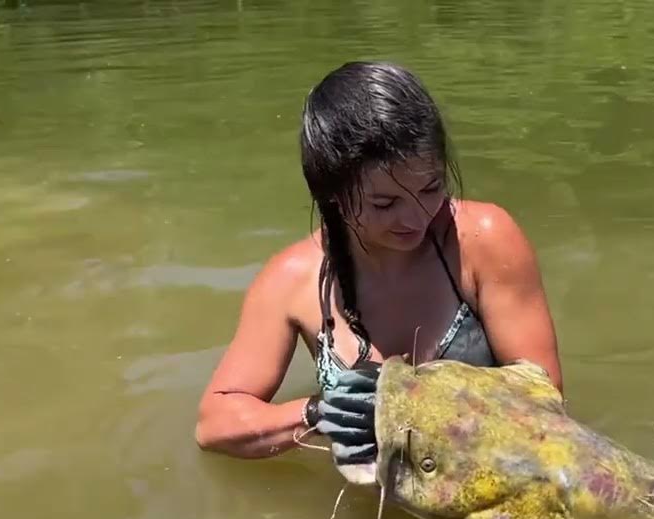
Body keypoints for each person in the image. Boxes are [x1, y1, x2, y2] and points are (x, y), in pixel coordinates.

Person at [194, 61, 563, 468]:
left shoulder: (483, 239)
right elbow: (213, 425)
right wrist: (318, 414)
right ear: (333, 194)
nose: (416, 217)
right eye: (385, 204)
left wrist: (415, 405)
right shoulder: (292, 280)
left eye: (431, 187)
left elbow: (543, 399)